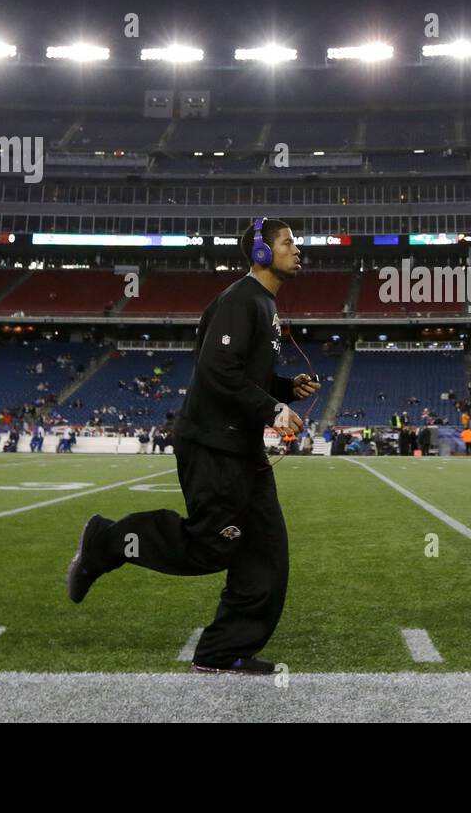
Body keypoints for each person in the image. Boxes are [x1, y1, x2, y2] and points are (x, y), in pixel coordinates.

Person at [65, 217, 319, 675]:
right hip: (212, 445)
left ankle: (222, 652)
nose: (297, 250)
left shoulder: (261, 304)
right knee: (212, 545)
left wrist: (283, 388)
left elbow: (243, 372)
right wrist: (272, 410)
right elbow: (216, 369)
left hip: (240, 448)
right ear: (262, 253)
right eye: (287, 243)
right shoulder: (241, 300)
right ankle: (104, 542)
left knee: (266, 551)